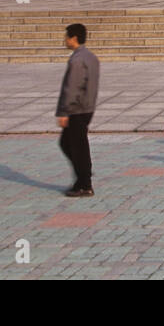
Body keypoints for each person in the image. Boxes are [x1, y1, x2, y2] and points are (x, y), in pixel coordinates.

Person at [55, 23, 100, 197]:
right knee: (70, 144)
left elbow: (71, 88)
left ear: (74, 38)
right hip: (87, 108)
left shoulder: (77, 60)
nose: (64, 40)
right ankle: (84, 174)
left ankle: (84, 183)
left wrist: (64, 112)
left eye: (66, 36)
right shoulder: (91, 57)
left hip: (76, 109)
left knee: (76, 146)